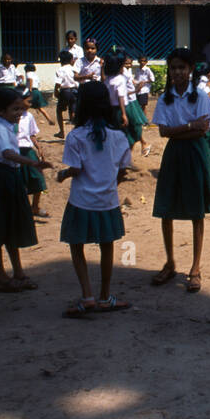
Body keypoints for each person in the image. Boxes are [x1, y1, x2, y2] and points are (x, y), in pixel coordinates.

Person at [58, 82, 134, 318]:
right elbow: (123, 170)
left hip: (81, 201)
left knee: (77, 246)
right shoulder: (119, 137)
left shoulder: (76, 136)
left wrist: (63, 174)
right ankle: (104, 296)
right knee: (107, 246)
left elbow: (77, 169)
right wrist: (111, 184)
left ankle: (87, 295)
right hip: (108, 201)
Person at [150, 47, 210, 293]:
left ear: (191, 70)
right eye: (174, 67)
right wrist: (190, 124)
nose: (178, 72)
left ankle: (195, 268)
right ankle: (170, 262)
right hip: (174, 155)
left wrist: (181, 129)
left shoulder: (200, 96)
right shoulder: (164, 98)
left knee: (196, 210)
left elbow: (203, 130)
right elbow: (163, 132)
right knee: (166, 208)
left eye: (182, 67)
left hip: (196, 153)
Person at [0, 86, 52, 292]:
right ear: (0, 111)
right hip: (0, 179)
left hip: (10, 178)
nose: (19, 114)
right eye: (15, 110)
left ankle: (18, 272)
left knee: (11, 228)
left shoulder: (8, 127)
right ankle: (1, 275)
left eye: (21, 110)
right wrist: (32, 162)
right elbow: (7, 153)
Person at [55, 50, 79, 133]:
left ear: (60, 60)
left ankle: (61, 131)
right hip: (75, 91)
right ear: (71, 60)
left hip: (65, 91)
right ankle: (77, 129)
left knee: (59, 111)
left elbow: (58, 82)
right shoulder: (74, 69)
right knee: (73, 111)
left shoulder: (60, 70)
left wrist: (55, 91)